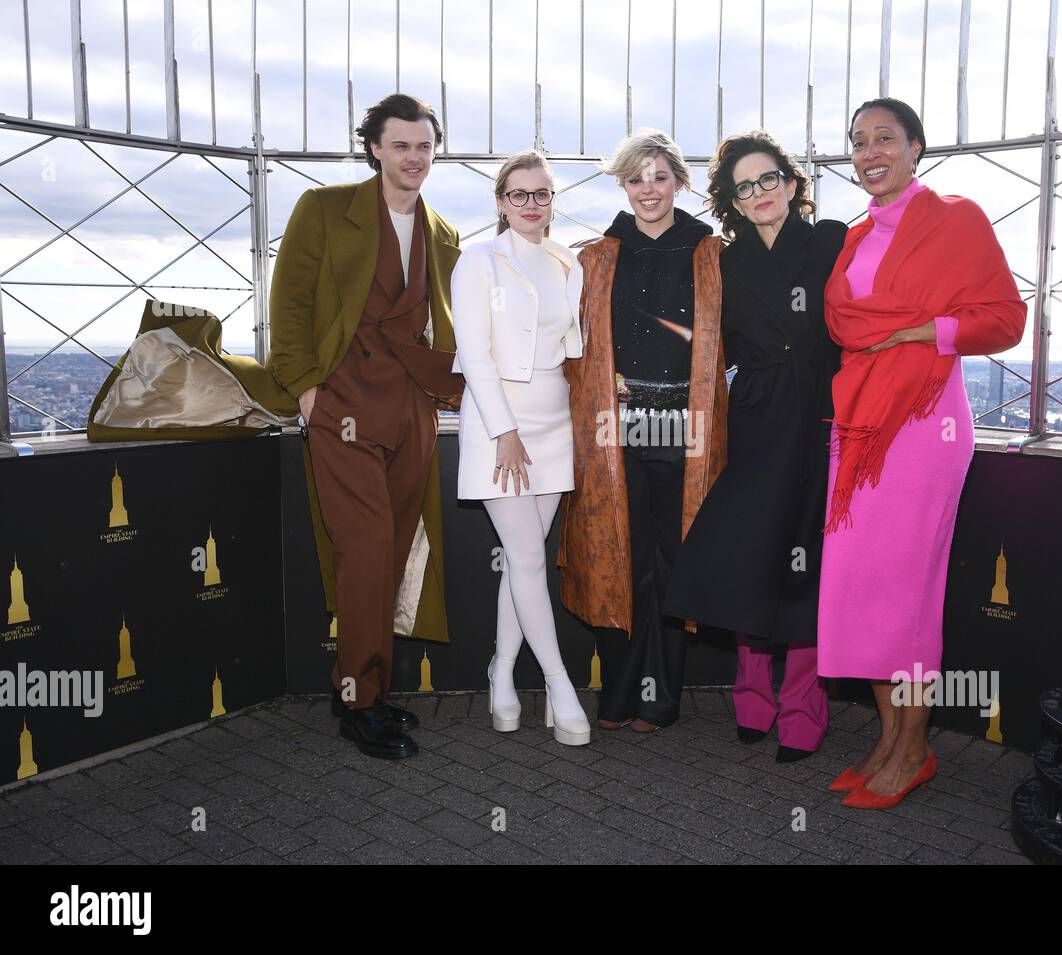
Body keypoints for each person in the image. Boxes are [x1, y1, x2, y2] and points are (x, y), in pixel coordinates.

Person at [819, 98, 1026, 808]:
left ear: (916, 148)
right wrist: (891, 332)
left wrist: (918, 332)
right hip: (860, 424)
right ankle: (889, 740)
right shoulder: (854, 236)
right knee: (865, 589)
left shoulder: (956, 219)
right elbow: (845, 323)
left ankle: (913, 748)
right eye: (859, 141)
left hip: (924, 424)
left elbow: (1004, 319)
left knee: (906, 593)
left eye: (886, 137)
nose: (870, 151)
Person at [268, 94, 463, 760]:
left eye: (424, 145)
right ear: (374, 148)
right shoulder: (323, 209)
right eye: (400, 144)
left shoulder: (442, 232)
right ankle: (359, 702)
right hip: (342, 407)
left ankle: (361, 686)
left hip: (411, 409)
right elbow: (289, 305)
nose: (414, 157)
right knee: (369, 551)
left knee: (395, 552)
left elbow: (448, 322)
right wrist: (306, 392)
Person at [664, 131, 845, 762]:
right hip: (757, 416)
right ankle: (752, 699)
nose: (759, 192)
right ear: (733, 202)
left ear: (791, 185)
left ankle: (803, 710)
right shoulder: (723, 261)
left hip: (823, 414)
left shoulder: (831, 240)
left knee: (807, 565)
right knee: (750, 557)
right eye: (744, 187)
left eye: (769, 179)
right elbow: (699, 338)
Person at [557, 130, 727, 733]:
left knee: (673, 563)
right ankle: (620, 694)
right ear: (622, 185)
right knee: (618, 561)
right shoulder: (596, 257)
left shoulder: (713, 253)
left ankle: (660, 699)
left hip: (686, 430)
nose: (648, 189)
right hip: (615, 431)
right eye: (636, 178)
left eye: (659, 177)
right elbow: (568, 349)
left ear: (678, 181)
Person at [451, 150, 590, 746]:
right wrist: (503, 431)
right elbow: (475, 354)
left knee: (522, 560)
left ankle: (502, 670)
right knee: (529, 558)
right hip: (497, 424)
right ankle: (560, 683)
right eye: (519, 194)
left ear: (553, 200)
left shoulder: (567, 261)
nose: (532, 204)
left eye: (542, 193)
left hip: (554, 420)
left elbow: (575, 346)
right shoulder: (477, 260)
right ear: (501, 202)